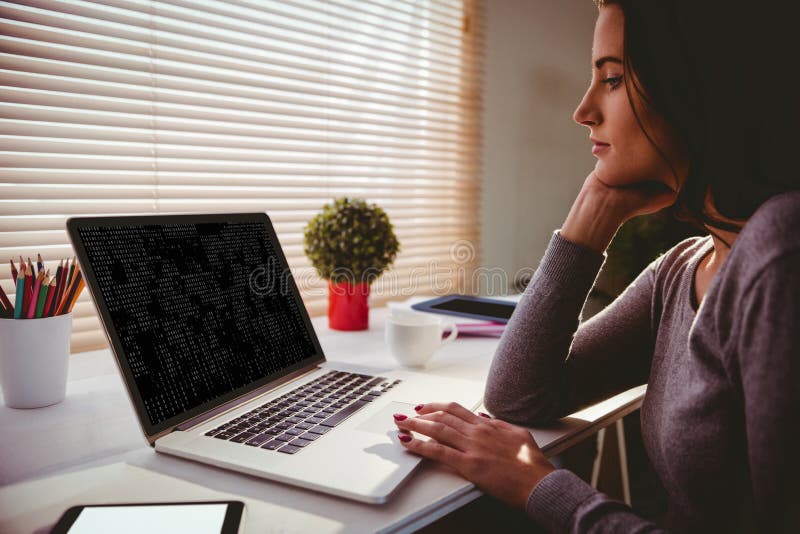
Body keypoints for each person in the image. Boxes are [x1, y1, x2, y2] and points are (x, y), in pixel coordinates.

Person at [392, 1, 800, 532]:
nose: (583, 110)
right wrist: (590, 217)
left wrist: (541, 487)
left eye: (611, 78)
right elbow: (519, 395)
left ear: (695, 82)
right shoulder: (682, 271)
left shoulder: (779, 251)